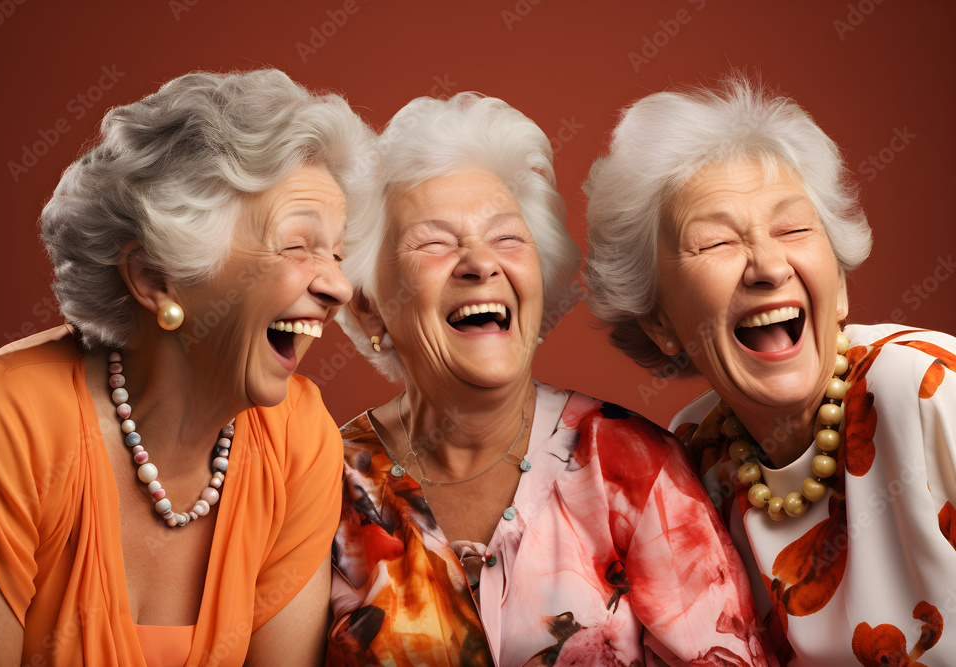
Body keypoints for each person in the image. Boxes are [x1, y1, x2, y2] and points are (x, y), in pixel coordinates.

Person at [327, 92, 776, 666]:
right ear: (368, 306)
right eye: (435, 242)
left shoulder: (631, 465)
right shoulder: (320, 484)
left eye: (507, 238)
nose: (480, 263)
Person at [0, 69, 380, 666]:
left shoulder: (298, 438)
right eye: (296, 246)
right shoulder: (3, 416)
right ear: (157, 278)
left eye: (337, 254)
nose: (338, 285)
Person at [583, 75, 956, 665]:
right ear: (661, 323)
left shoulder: (929, 389)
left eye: (793, 229)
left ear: (837, 286)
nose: (767, 266)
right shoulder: (695, 456)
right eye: (714, 243)